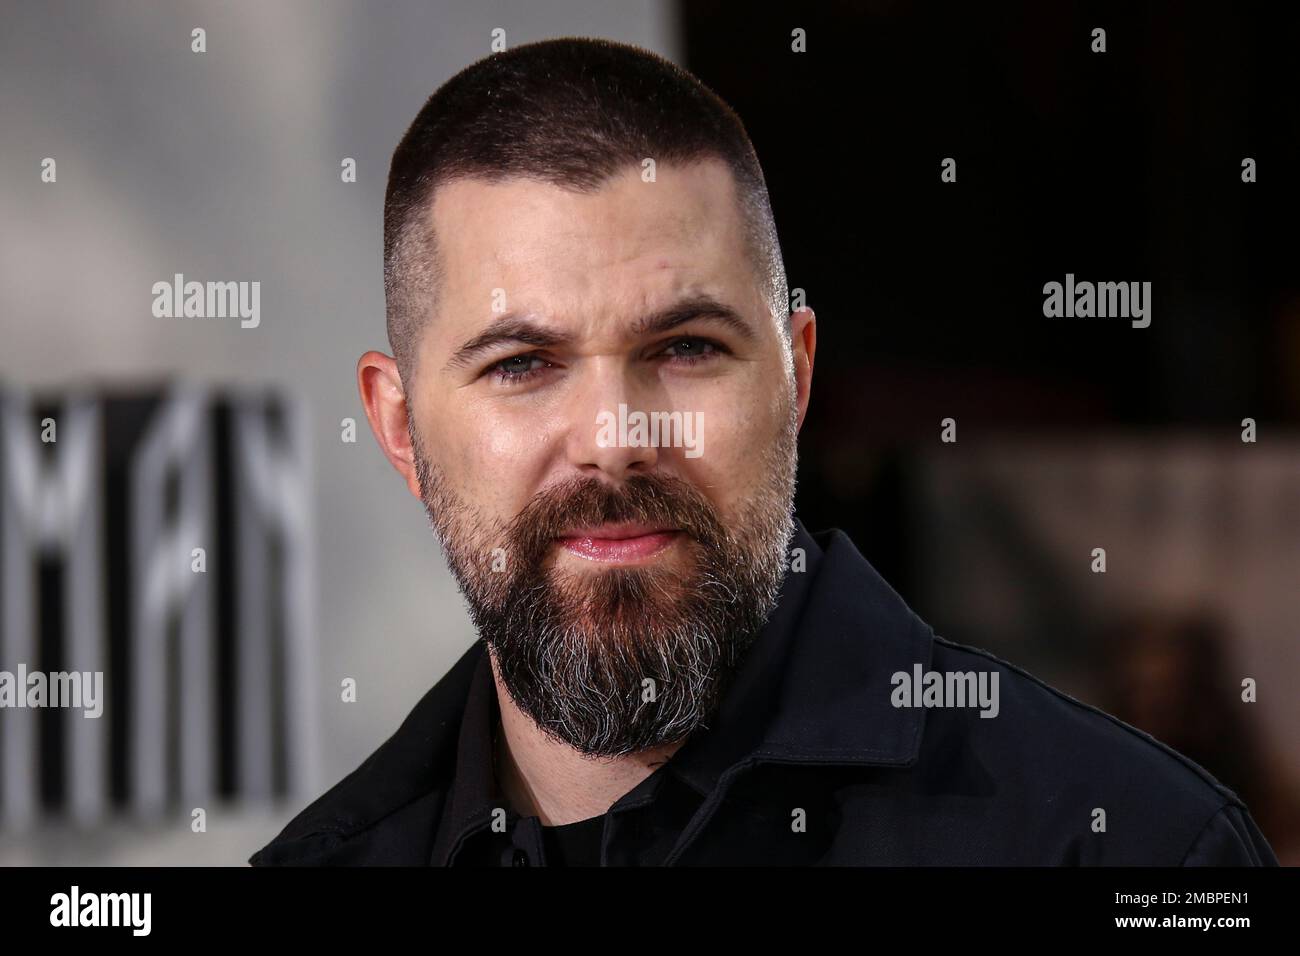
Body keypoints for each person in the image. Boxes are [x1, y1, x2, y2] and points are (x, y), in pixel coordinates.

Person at [250, 37, 1277, 866]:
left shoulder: (1125, 846)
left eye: (685, 347)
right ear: (398, 426)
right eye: (523, 363)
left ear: (796, 375)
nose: (615, 438)